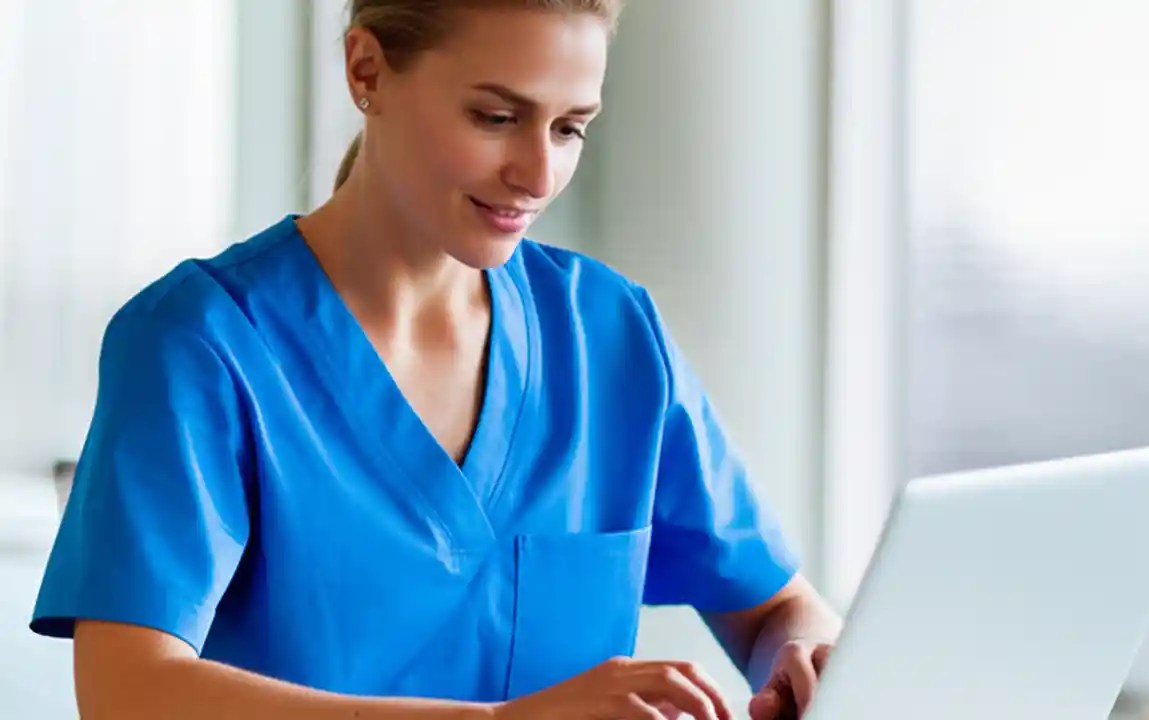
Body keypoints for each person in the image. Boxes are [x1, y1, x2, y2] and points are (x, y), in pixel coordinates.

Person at [30, 1, 842, 718]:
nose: (537, 173)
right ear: (367, 70)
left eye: (569, 128)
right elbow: (130, 693)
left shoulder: (609, 334)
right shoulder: (199, 344)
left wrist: (805, 665)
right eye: (495, 118)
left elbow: (777, 610)